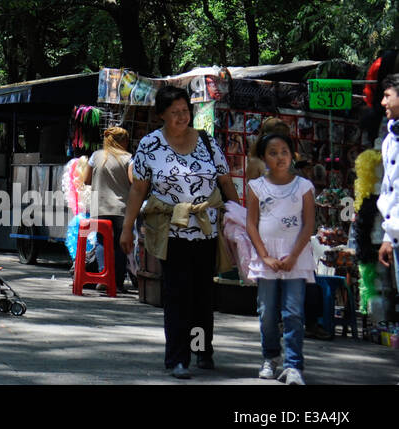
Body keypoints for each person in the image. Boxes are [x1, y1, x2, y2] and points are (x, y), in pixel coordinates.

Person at [121, 85, 239, 379]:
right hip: (170, 232)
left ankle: (202, 349)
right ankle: (177, 358)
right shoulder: (150, 145)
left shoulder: (208, 143)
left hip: (206, 231)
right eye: (175, 113)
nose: (182, 117)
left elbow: (225, 183)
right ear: (161, 114)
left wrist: (239, 218)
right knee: (176, 295)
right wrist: (127, 228)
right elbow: (138, 189)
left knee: (201, 295)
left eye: (185, 111)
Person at [245, 131, 315, 385]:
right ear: (264, 157)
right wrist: (265, 256)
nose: (280, 157)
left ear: (292, 155)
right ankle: (270, 357)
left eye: (284, 152)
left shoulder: (304, 187)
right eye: (273, 153)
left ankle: (294, 365)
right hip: (267, 259)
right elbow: (251, 224)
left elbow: (308, 225)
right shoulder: (257, 187)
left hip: (296, 257)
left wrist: (294, 255)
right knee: (266, 312)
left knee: (293, 312)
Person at [78, 126, 135, 293]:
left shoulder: (96, 156)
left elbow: (87, 179)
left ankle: (103, 277)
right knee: (120, 244)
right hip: (121, 208)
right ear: (122, 141)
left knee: (102, 241)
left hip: (99, 207)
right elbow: (133, 182)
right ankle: (116, 282)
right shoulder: (128, 158)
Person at [377, 75, 399, 290]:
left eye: (387, 96)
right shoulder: (389, 141)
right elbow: (390, 191)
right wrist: (389, 237)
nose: (383, 102)